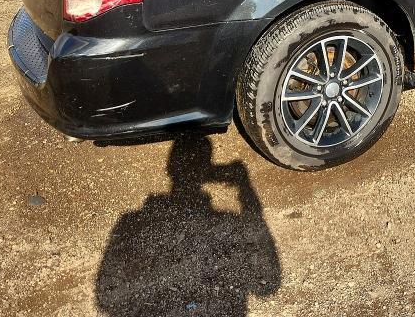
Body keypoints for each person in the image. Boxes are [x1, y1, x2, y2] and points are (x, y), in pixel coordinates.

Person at [95, 135, 280, 316]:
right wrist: (245, 187)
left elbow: (107, 298)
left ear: (169, 169)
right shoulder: (226, 223)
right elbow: (267, 285)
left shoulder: (132, 222)